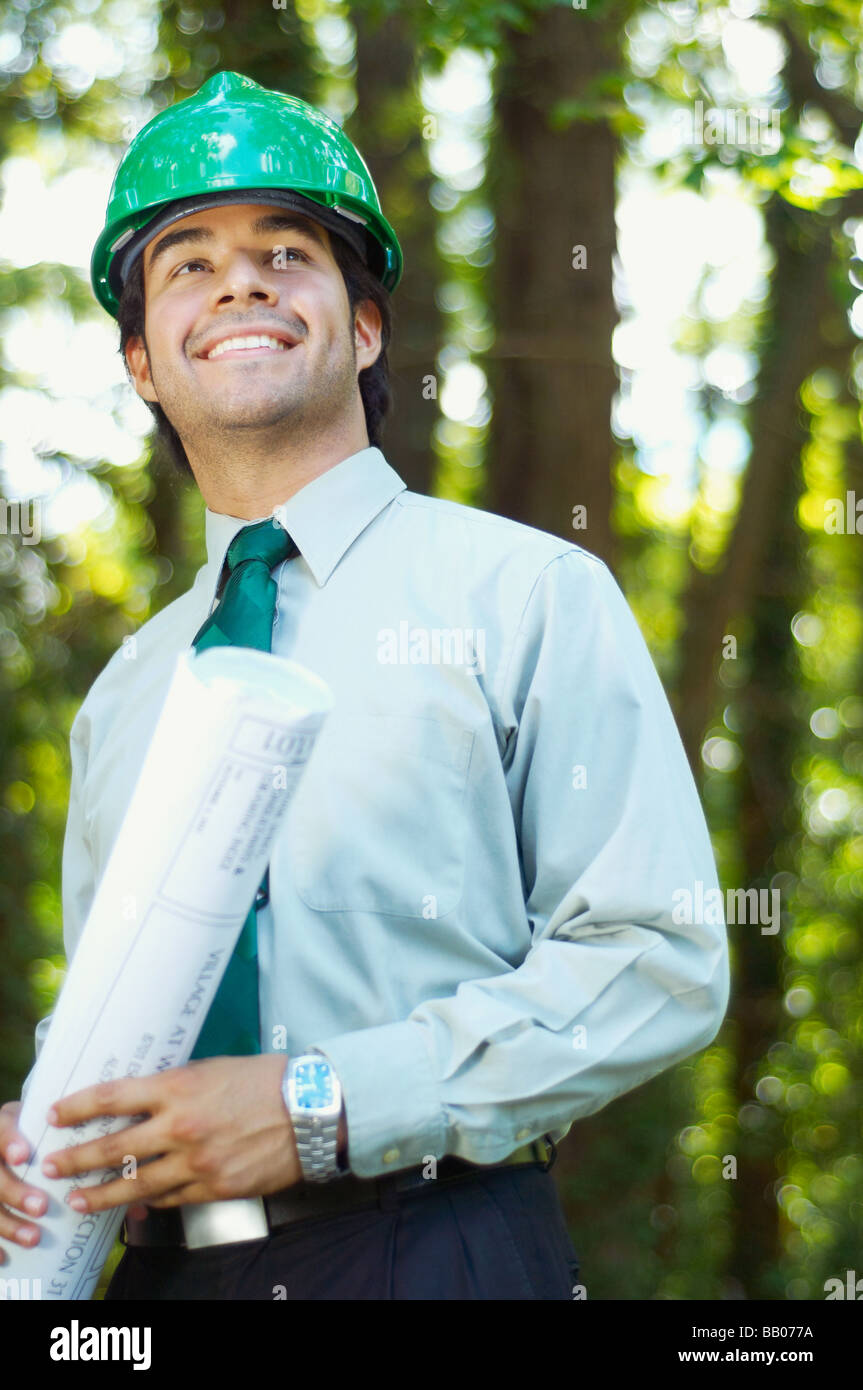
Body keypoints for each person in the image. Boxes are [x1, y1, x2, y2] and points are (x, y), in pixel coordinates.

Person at [0, 70, 729, 1300]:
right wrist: (39, 1137)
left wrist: (320, 1106)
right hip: (152, 1280)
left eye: (287, 252)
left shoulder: (525, 593)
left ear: (365, 326)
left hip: (429, 1249)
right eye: (187, 262)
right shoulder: (123, 693)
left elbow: (657, 956)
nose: (240, 281)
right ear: (140, 362)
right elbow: (116, 1006)